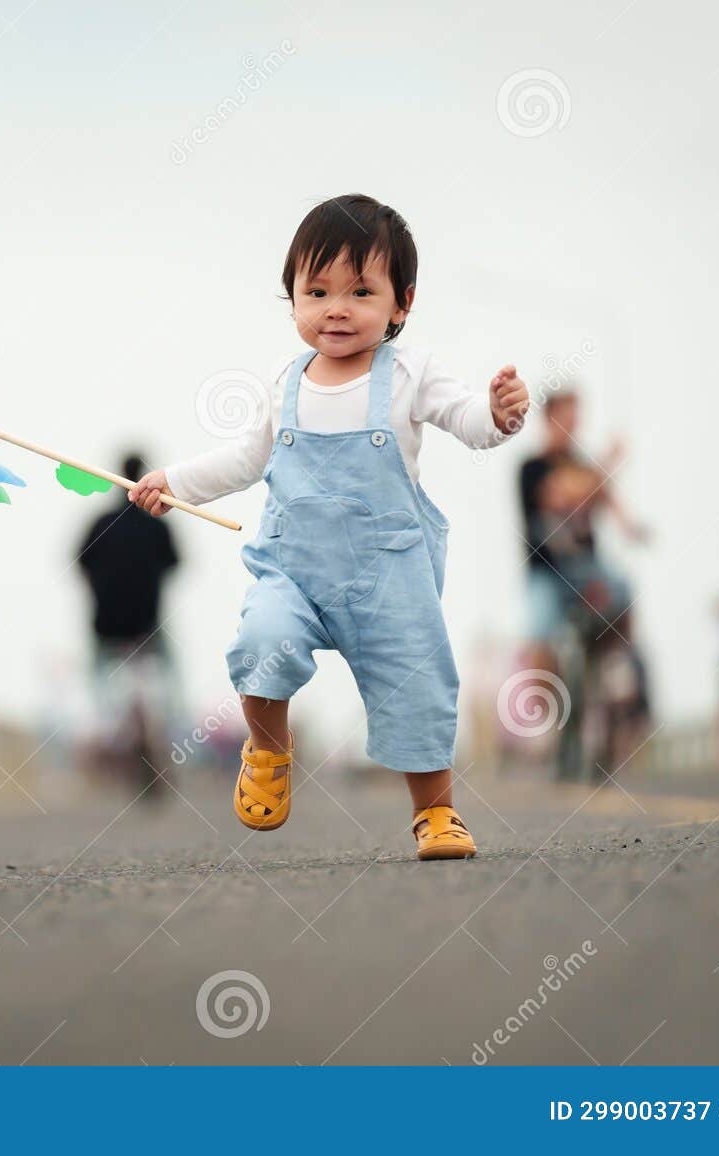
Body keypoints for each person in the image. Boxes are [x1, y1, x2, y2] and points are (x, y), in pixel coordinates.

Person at [126, 194, 530, 860]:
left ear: (401, 303)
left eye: (360, 291)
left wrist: (499, 413)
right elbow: (244, 459)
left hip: (389, 577)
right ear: (292, 300)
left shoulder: (409, 375)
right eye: (316, 290)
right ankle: (268, 748)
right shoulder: (285, 384)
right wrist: (174, 482)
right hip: (296, 571)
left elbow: (471, 423)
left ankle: (435, 813)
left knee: (420, 687)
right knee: (261, 641)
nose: (336, 307)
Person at [517, 390, 644, 670]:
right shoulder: (532, 467)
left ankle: (609, 669)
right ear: (550, 419)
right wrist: (609, 461)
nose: (574, 425)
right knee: (539, 634)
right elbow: (565, 493)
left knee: (622, 592)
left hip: (586, 569)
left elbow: (607, 499)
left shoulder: (582, 464)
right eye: (567, 418)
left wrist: (630, 526)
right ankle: (546, 708)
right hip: (547, 571)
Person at [77, 454, 181, 790]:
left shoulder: (100, 523)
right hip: (147, 623)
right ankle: (165, 730)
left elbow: (80, 562)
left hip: (105, 623)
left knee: (99, 682)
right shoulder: (157, 525)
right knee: (169, 677)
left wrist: (101, 588)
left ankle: (111, 734)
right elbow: (174, 563)